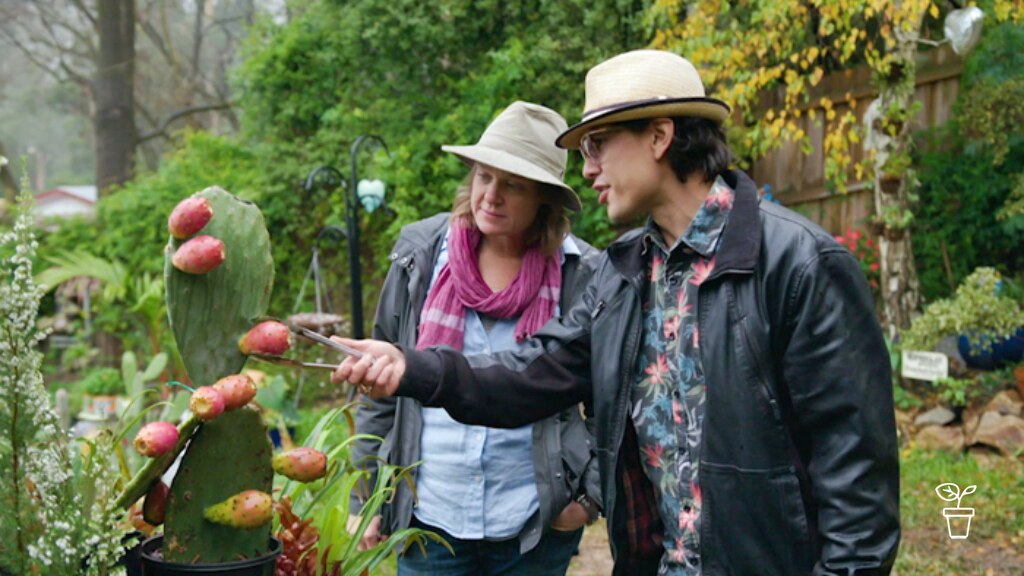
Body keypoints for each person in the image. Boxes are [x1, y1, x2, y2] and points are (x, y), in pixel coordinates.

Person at [334, 50, 900, 575]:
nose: (586, 169)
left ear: (659, 137)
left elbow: (856, 486)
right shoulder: (624, 273)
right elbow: (532, 372)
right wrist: (411, 367)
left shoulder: (798, 264)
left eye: (597, 144)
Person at [343, 101, 602, 576]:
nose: (491, 196)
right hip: (429, 518)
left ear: (544, 197)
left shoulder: (581, 274)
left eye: (513, 185)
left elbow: (612, 400)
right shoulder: (419, 258)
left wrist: (585, 500)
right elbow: (380, 392)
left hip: (533, 524)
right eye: (484, 176)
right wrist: (366, 497)